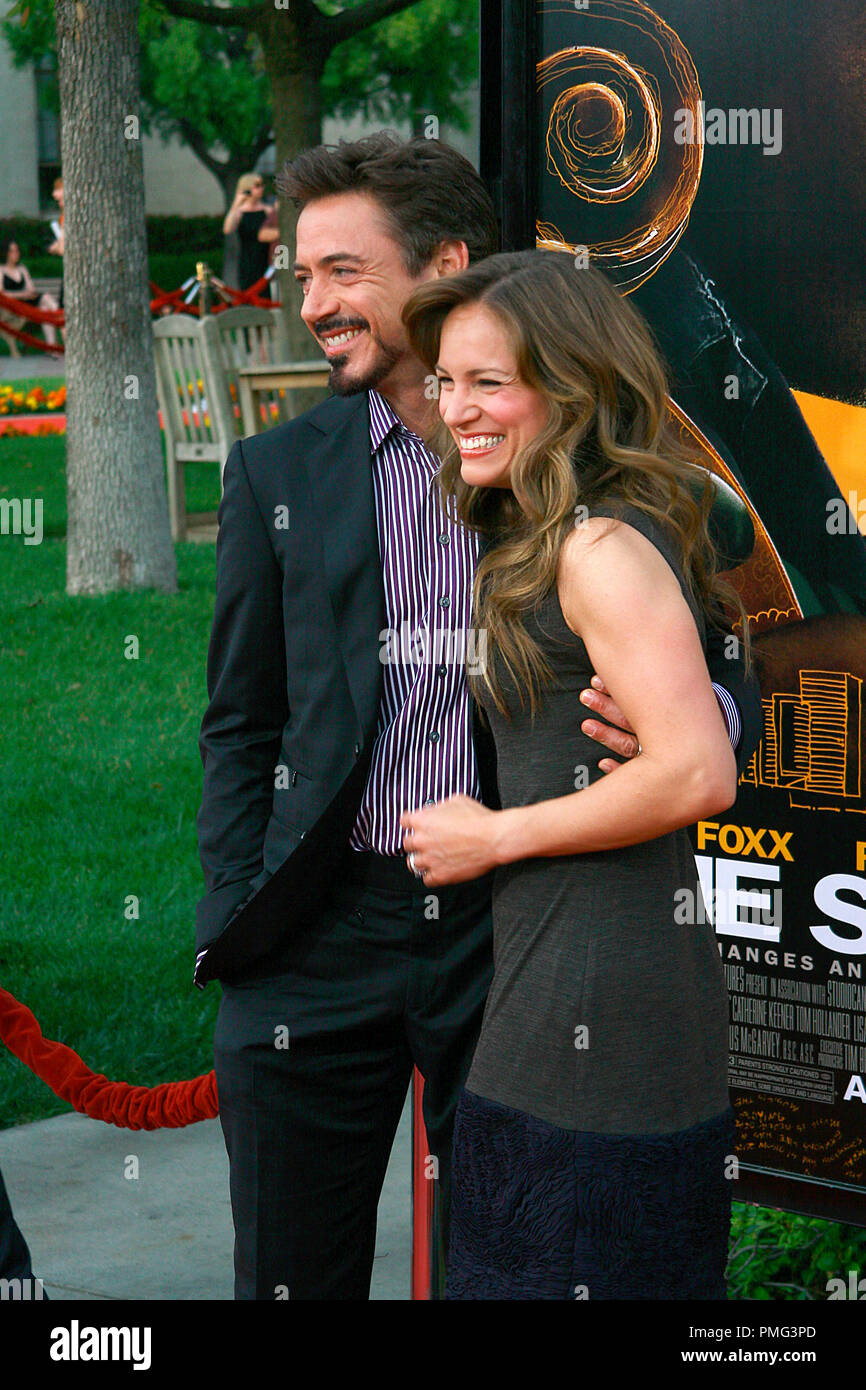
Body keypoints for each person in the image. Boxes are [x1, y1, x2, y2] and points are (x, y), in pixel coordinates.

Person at [194, 133, 761, 1300]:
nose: (314, 304)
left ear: (443, 259)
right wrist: (235, 911)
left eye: (343, 271)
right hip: (318, 931)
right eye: (301, 277)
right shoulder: (275, 476)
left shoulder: (556, 467)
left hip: (508, 930)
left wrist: (695, 709)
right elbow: (239, 720)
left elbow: (705, 657)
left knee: (512, 1254)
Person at [401, 248, 748, 1299]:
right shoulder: (549, 532)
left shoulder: (593, 546)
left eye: (488, 382)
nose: (456, 408)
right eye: (446, 381)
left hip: (596, 1015)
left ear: (569, 385)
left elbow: (694, 773)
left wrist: (493, 835)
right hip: (567, 993)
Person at [0, 239, 60, 348]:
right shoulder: (1, 270)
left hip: (28, 303)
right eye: (12, 251)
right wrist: (22, 294)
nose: (16, 254)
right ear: (6, 253)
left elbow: (31, 289)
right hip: (14, 307)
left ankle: (52, 347)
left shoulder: (22, 269)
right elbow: (2, 294)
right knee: (45, 305)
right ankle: (60, 319)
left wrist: (25, 294)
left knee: (45, 307)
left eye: (17, 251)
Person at [222, 173, 270, 292]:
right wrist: (236, 204)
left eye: (262, 185)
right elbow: (228, 229)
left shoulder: (267, 210)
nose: (261, 188)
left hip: (266, 259)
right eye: (257, 185)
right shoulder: (239, 212)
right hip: (247, 261)